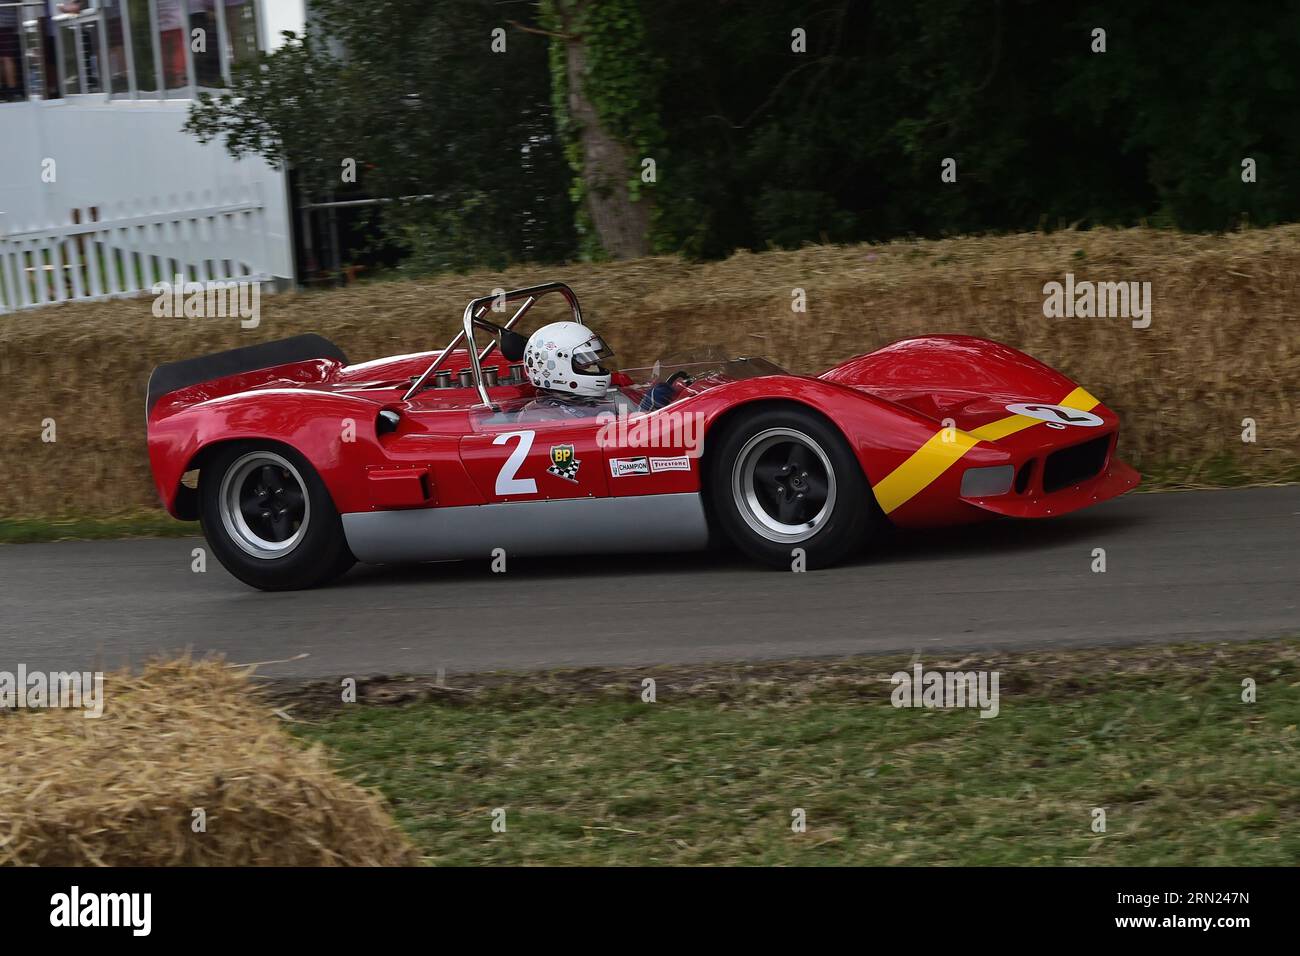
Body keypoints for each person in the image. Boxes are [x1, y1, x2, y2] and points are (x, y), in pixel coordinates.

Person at [515, 321, 617, 421]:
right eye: (585, 363)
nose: (596, 369)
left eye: (594, 362)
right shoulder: (542, 417)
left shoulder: (588, 403)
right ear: (558, 367)